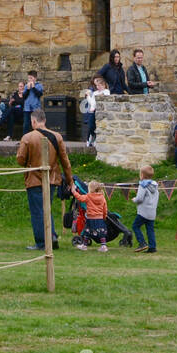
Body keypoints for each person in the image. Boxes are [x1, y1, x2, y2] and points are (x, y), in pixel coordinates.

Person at [16, 107, 73, 251]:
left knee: (38, 212)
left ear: (33, 121)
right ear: (45, 120)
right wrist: (70, 180)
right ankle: (51, 236)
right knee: (46, 208)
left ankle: (42, 242)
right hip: (52, 178)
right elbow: (65, 162)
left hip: (34, 179)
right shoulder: (57, 137)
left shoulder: (27, 137)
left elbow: (20, 160)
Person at [131, 164, 159, 253]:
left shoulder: (142, 185)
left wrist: (134, 199)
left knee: (135, 226)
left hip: (143, 212)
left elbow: (139, 198)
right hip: (152, 212)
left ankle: (142, 243)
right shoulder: (155, 185)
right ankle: (152, 247)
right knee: (150, 229)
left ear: (142, 175)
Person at [77, 178, 109, 252]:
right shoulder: (102, 197)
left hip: (90, 218)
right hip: (100, 218)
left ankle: (84, 245)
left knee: (87, 231)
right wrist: (104, 216)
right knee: (101, 232)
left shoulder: (88, 196)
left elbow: (80, 198)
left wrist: (74, 192)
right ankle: (103, 246)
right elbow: (105, 208)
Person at [81, 76, 109, 147]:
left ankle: (95, 140)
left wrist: (99, 95)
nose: (98, 87)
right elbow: (92, 102)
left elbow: (105, 97)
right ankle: (91, 137)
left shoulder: (106, 91)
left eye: (100, 85)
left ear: (104, 85)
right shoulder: (95, 93)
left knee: (98, 127)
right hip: (93, 112)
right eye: (97, 85)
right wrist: (88, 96)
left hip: (100, 112)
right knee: (91, 126)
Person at [18, 70, 45, 136]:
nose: (29, 80)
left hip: (36, 108)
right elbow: (24, 96)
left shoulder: (39, 85)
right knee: (26, 125)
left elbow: (39, 95)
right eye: (28, 78)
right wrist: (27, 89)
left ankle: (37, 138)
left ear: (35, 78)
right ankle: (25, 138)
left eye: (31, 78)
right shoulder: (26, 86)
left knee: (37, 124)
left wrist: (33, 87)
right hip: (27, 108)